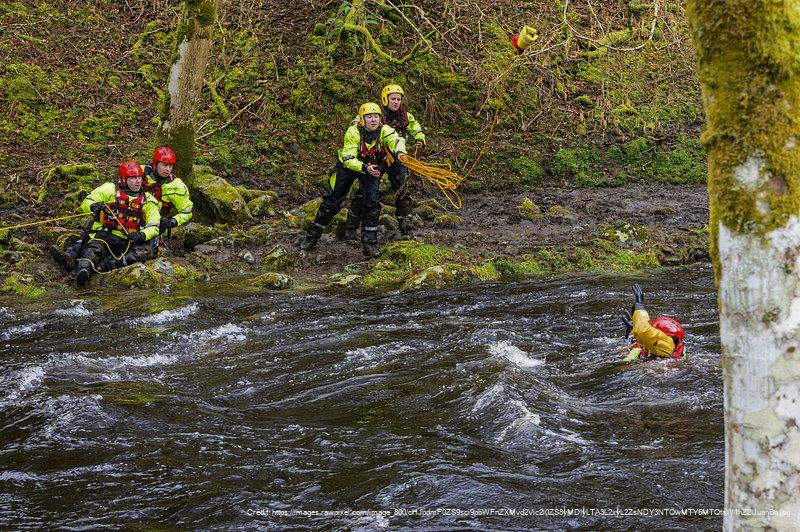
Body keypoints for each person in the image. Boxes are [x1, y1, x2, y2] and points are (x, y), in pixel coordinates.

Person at [299, 102, 407, 258]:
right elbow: (348, 158)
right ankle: (311, 237)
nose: (373, 120)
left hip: (370, 166)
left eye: (376, 117)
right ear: (362, 119)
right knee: (331, 202)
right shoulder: (353, 132)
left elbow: (396, 140)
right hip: (348, 167)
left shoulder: (384, 130)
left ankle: (370, 245)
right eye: (369, 117)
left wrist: (400, 153)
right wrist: (364, 167)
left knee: (373, 203)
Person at [343, 84, 425, 239]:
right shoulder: (375, 113)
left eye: (398, 99)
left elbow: (415, 127)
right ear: (385, 99)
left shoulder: (406, 115)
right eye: (393, 99)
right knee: (364, 193)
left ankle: (405, 224)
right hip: (375, 159)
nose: (396, 102)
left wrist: (420, 138)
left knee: (402, 188)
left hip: (396, 157)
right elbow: (358, 123)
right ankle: (351, 226)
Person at [74, 162, 161, 286]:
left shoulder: (148, 201)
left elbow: (154, 225)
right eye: (133, 178)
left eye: (139, 177)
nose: (137, 181)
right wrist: (93, 206)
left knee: (147, 251)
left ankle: (107, 265)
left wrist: (141, 235)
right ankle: (83, 269)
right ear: (124, 180)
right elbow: (86, 202)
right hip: (106, 236)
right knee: (95, 247)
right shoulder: (110, 189)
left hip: (129, 241)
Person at [142, 146, 193, 255]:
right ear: (155, 164)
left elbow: (187, 211)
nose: (168, 169)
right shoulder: (141, 173)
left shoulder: (176, 185)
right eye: (164, 165)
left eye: (170, 166)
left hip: (156, 224)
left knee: (149, 252)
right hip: (135, 217)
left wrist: (171, 222)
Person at [621, 284, 686, 360]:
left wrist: (639, 305)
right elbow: (645, 340)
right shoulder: (670, 349)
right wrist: (632, 331)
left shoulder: (668, 345)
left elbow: (643, 331)